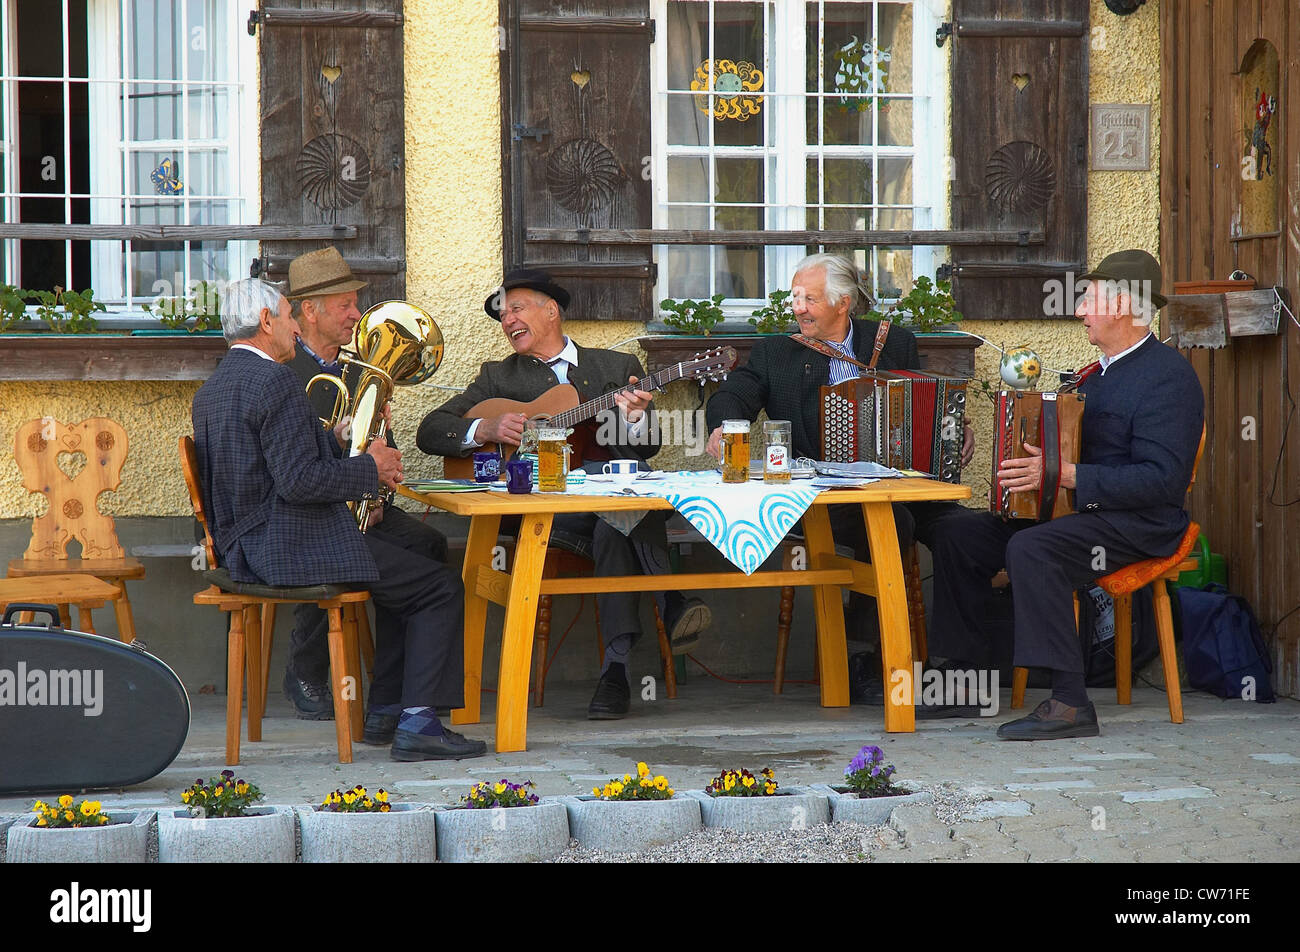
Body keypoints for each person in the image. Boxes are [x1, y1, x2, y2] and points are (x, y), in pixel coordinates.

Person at [192, 278, 484, 761]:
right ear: (267, 322)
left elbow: (270, 462)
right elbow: (299, 483)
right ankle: (419, 724)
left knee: (416, 552)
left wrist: (341, 437)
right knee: (439, 587)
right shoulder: (276, 381)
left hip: (247, 546)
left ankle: (388, 706)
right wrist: (370, 467)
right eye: (288, 317)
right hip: (285, 546)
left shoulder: (216, 386)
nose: (293, 328)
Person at [925, 249, 1204, 736]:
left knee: (1033, 548)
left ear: (1121, 306)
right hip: (1079, 513)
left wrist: (1068, 475)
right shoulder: (1098, 373)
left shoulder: (1168, 377)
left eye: (1088, 300)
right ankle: (966, 682)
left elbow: (1163, 480)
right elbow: (1071, 447)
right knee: (957, 532)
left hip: (1140, 523)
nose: (1079, 311)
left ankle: (1070, 704)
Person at [416, 268, 711, 720]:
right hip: (546, 513)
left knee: (616, 514)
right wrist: (487, 428)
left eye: (516, 308)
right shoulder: (496, 377)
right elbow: (430, 430)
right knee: (620, 509)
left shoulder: (616, 369)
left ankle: (615, 673)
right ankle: (670, 602)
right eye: (502, 314)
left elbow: (647, 445)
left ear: (551, 310)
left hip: (603, 509)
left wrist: (632, 418)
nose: (507, 319)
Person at [704, 253, 974, 699]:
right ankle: (867, 657)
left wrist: (952, 432)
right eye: (796, 297)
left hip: (902, 487)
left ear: (843, 303)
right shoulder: (778, 353)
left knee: (966, 531)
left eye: (809, 299)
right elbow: (736, 393)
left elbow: (924, 400)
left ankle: (959, 663)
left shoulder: (894, 342)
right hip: (825, 499)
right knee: (886, 524)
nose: (798, 308)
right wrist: (723, 424)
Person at [279, 246, 450, 738]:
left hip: (355, 500)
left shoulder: (360, 368)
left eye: (357, 304)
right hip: (314, 512)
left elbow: (381, 447)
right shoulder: (286, 374)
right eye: (345, 306)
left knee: (429, 546)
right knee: (393, 566)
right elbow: (296, 467)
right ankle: (308, 670)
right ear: (310, 311)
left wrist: (377, 495)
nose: (358, 315)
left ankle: (388, 702)